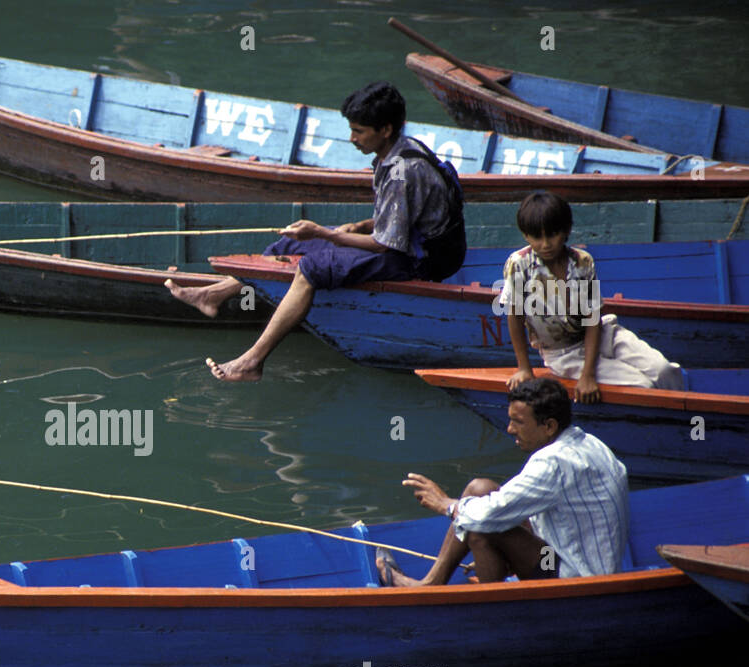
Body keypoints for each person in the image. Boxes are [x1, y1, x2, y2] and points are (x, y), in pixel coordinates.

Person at [165, 81, 464, 381]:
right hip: (403, 240)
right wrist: (358, 226)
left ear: (385, 130)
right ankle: (214, 295)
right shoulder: (397, 151)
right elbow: (402, 214)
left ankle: (252, 362)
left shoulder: (403, 170)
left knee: (311, 268)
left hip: (421, 257)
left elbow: (384, 245)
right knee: (287, 247)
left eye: (359, 131)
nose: (352, 138)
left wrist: (324, 234)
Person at [376, 378, 629, 586]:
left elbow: (485, 516)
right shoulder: (589, 442)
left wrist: (446, 505)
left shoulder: (552, 462)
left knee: (480, 526)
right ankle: (434, 581)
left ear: (549, 426)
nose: (509, 429)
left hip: (578, 577)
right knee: (479, 490)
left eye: (518, 422)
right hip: (565, 553)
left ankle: (494, 604)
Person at [500, 191, 683, 402]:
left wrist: (588, 375)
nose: (545, 244)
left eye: (552, 235)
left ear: (566, 231)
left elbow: (593, 318)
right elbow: (514, 316)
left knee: (664, 371)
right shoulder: (519, 264)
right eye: (537, 237)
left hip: (601, 333)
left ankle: (684, 413)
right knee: (643, 385)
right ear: (526, 236)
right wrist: (524, 368)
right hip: (563, 353)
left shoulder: (582, 261)